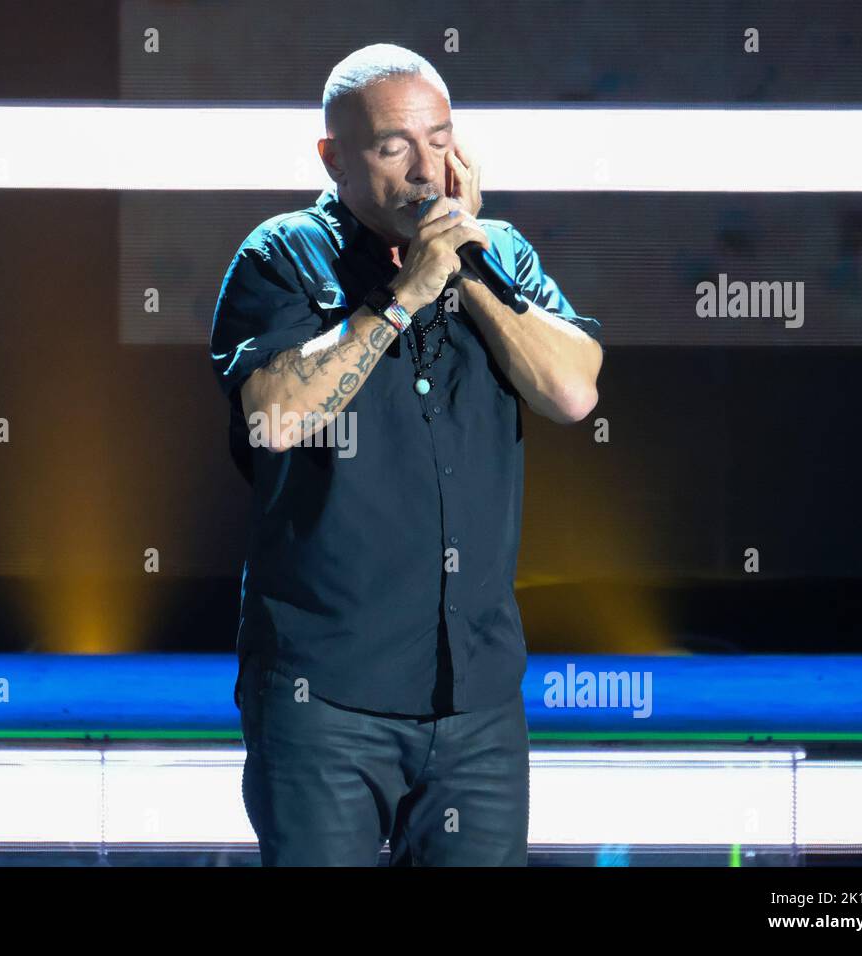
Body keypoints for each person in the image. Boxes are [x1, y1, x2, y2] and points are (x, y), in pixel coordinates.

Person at [209, 43, 603, 866]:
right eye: (394, 147)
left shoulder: (501, 254)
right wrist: (404, 295)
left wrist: (466, 270)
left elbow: (572, 392)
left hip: (477, 699)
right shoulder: (278, 256)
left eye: (441, 140)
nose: (426, 169)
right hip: (325, 697)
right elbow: (276, 418)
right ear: (334, 158)